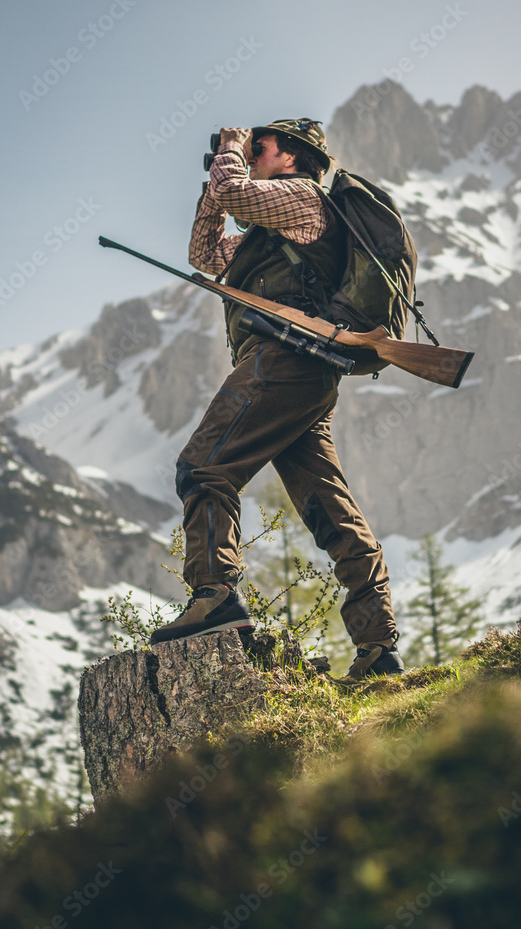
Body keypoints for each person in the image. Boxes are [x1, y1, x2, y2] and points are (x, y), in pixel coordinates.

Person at [150, 118, 404, 680]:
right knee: (328, 505)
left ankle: (214, 596)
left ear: (291, 157)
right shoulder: (268, 235)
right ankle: (377, 647)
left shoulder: (303, 198)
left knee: (204, 466)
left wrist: (232, 153)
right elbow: (205, 253)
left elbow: (238, 191)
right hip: (299, 372)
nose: (247, 156)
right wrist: (215, 180)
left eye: (259, 149)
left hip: (283, 361)